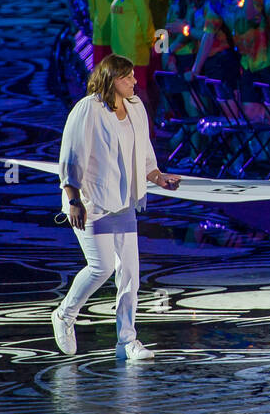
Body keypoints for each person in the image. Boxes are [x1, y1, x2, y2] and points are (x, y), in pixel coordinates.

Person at [52, 55, 181, 360]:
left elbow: (145, 155)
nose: (135, 82)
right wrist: (73, 200)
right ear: (112, 81)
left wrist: (159, 178)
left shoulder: (136, 108)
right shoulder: (87, 110)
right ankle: (64, 315)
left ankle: (126, 341)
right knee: (102, 267)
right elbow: (70, 158)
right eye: (128, 78)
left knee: (130, 275)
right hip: (91, 201)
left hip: (124, 202)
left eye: (134, 77)